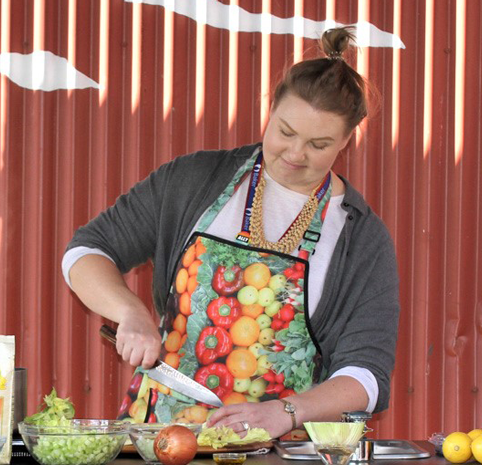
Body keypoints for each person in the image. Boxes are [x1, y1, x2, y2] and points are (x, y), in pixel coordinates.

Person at [64, 27, 397, 437]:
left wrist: (287, 412)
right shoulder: (192, 180)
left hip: (275, 460)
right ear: (270, 110)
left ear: (347, 140)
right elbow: (86, 253)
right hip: (155, 445)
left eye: (319, 144)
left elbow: (366, 375)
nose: (295, 154)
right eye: (286, 132)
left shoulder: (360, 237)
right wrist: (129, 312)